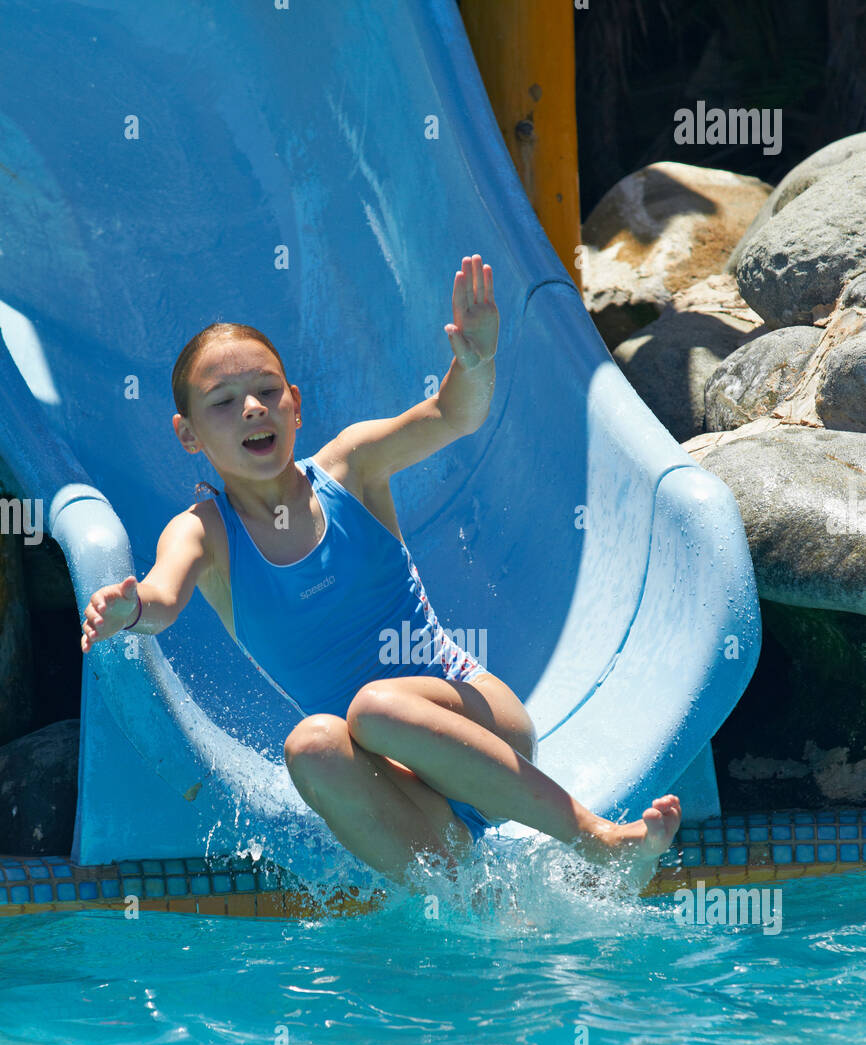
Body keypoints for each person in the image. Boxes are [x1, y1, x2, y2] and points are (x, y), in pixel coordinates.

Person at [81, 254, 681, 888]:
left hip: (481, 724)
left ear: (296, 406)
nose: (253, 408)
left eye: (266, 390)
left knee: (373, 707)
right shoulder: (203, 533)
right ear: (189, 434)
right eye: (224, 402)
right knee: (312, 743)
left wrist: (473, 364)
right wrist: (131, 610)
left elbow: (450, 416)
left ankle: (598, 840)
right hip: (402, 784)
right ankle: (471, 907)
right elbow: (163, 595)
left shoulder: (351, 468)